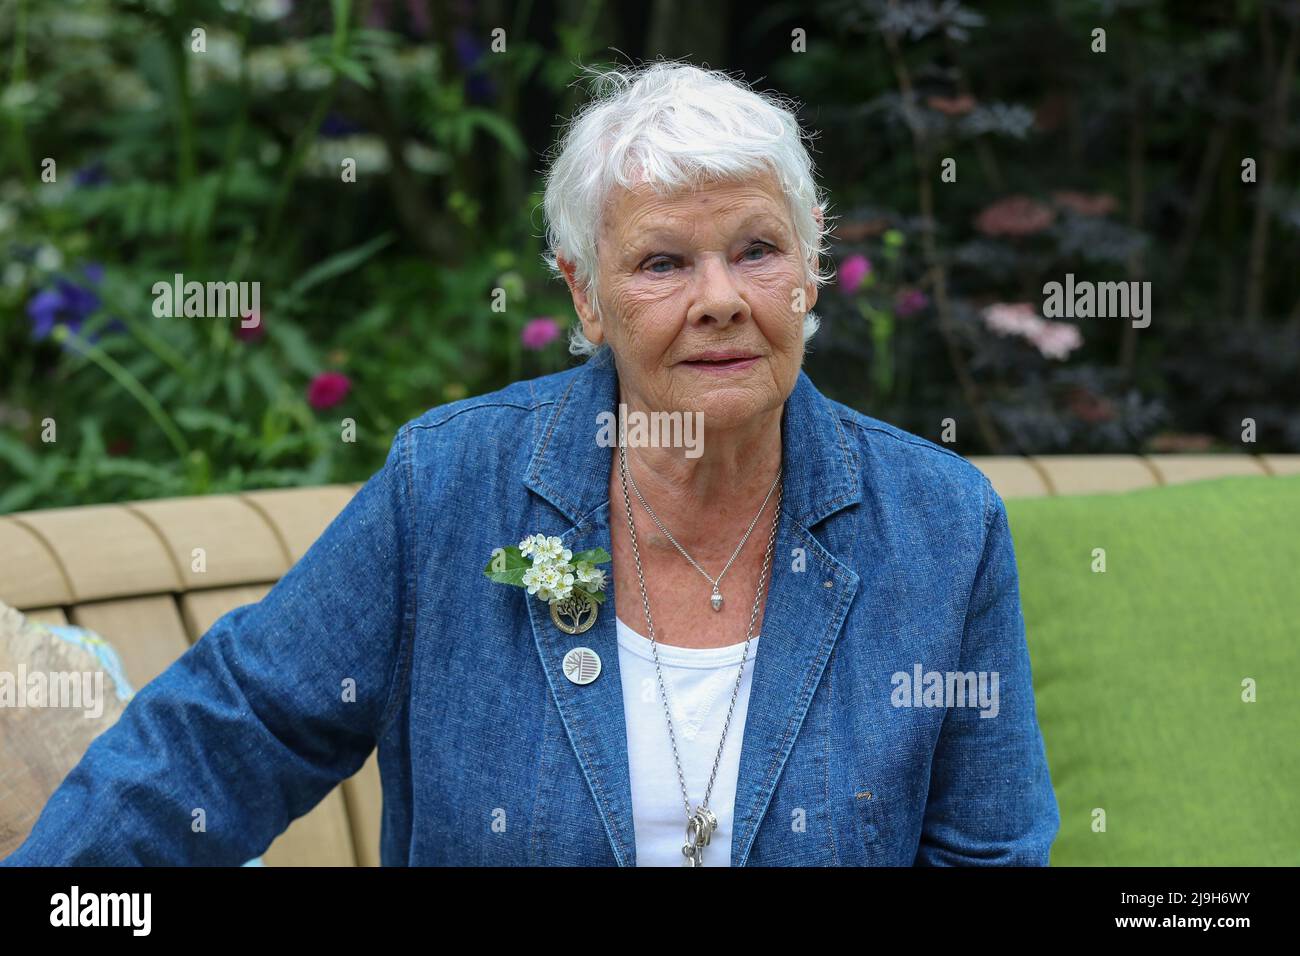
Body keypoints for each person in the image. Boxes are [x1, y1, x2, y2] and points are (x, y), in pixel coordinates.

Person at [2, 60, 1058, 867]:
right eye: (660, 262)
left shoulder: (940, 526)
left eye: (754, 248)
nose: (721, 297)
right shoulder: (453, 486)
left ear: (811, 265)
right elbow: (231, 729)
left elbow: (990, 852)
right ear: (583, 296)